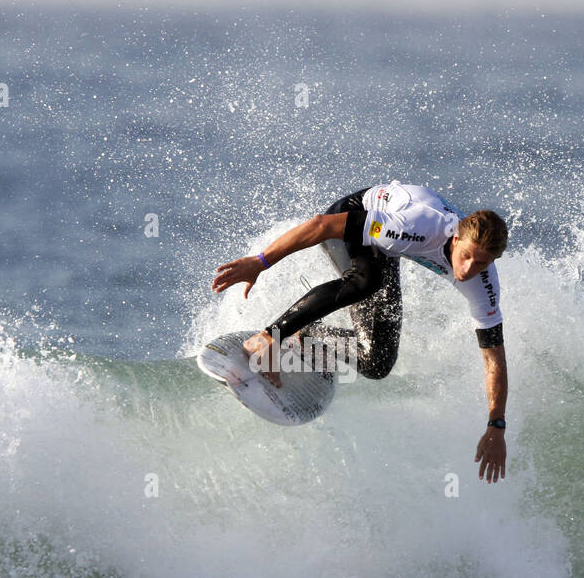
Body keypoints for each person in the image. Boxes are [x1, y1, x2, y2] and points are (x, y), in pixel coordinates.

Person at [211, 181, 510, 483]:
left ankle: (306, 337)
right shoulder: (412, 228)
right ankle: (268, 337)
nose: (469, 268)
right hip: (356, 214)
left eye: (481, 263)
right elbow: (321, 226)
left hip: (384, 249)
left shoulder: (483, 285)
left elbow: (493, 358)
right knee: (366, 281)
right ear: (456, 238)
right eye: (467, 256)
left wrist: (496, 424)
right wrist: (260, 262)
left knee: (377, 362)